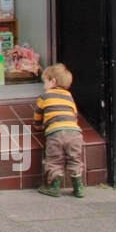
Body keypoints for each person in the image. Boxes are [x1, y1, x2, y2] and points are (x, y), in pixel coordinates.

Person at [34, 63, 84, 197]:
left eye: (45, 82)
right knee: (75, 159)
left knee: (55, 160)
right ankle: (78, 187)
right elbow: (74, 114)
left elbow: (38, 114)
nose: (44, 85)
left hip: (55, 133)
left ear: (53, 81)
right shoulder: (69, 96)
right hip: (74, 132)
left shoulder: (45, 96)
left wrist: (38, 125)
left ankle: (54, 187)